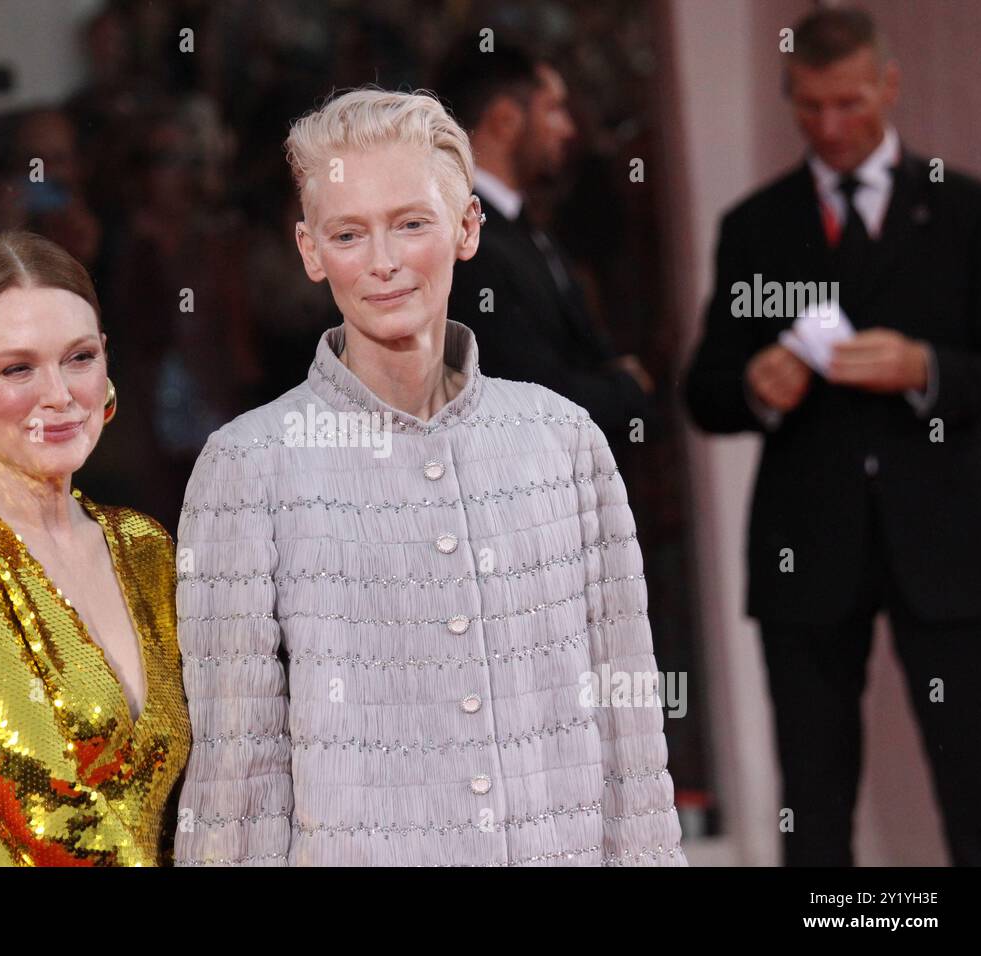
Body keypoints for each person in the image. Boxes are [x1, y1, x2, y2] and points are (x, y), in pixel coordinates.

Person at [173, 88, 686, 866]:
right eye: (349, 233)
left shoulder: (563, 442)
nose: (382, 262)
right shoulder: (249, 467)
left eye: (411, 223)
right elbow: (237, 775)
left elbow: (631, 739)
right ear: (310, 251)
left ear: (467, 227)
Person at [684, 7, 981, 865]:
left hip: (949, 543)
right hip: (807, 549)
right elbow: (704, 391)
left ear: (889, 86)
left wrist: (925, 368)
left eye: (850, 103)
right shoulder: (757, 227)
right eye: (810, 107)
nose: (831, 127)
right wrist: (755, 389)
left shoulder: (964, 210)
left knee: (976, 781)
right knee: (812, 803)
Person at [0, 231, 189, 865]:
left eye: (78, 358)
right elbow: (48, 815)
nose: (58, 394)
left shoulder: (147, 547)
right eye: (17, 369)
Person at [438, 41, 653, 443]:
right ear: (505, 120)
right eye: (552, 108)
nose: (568, 128)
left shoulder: (524, 228)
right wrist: (628, 390)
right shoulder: (469, 246)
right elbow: (531, 399)